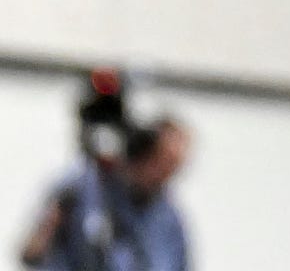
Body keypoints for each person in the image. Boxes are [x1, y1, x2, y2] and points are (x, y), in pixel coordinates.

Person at [19, 104, 190, 271]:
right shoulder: (79, 189)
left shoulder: (167, 219)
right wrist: (52, 222)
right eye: (163, 166)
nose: (165, 177)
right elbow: (31, 254)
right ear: (141, 153)